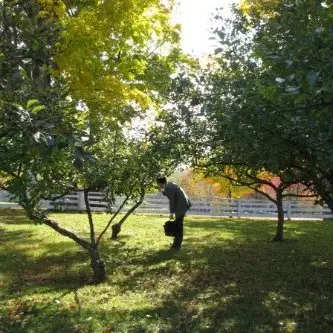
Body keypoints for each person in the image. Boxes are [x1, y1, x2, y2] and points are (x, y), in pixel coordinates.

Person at [156, 176, 191, 249]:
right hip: (182, 204)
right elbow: (167, 194)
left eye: (158, 184)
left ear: (160, 183)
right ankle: (176, 243)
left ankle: (177, 245)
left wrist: (171, 213)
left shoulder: (169, 187)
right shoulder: (169, 185)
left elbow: (172, 201)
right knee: (177, 224)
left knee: (178, 225)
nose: (158, 185)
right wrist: (162, 190)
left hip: (181, 205)